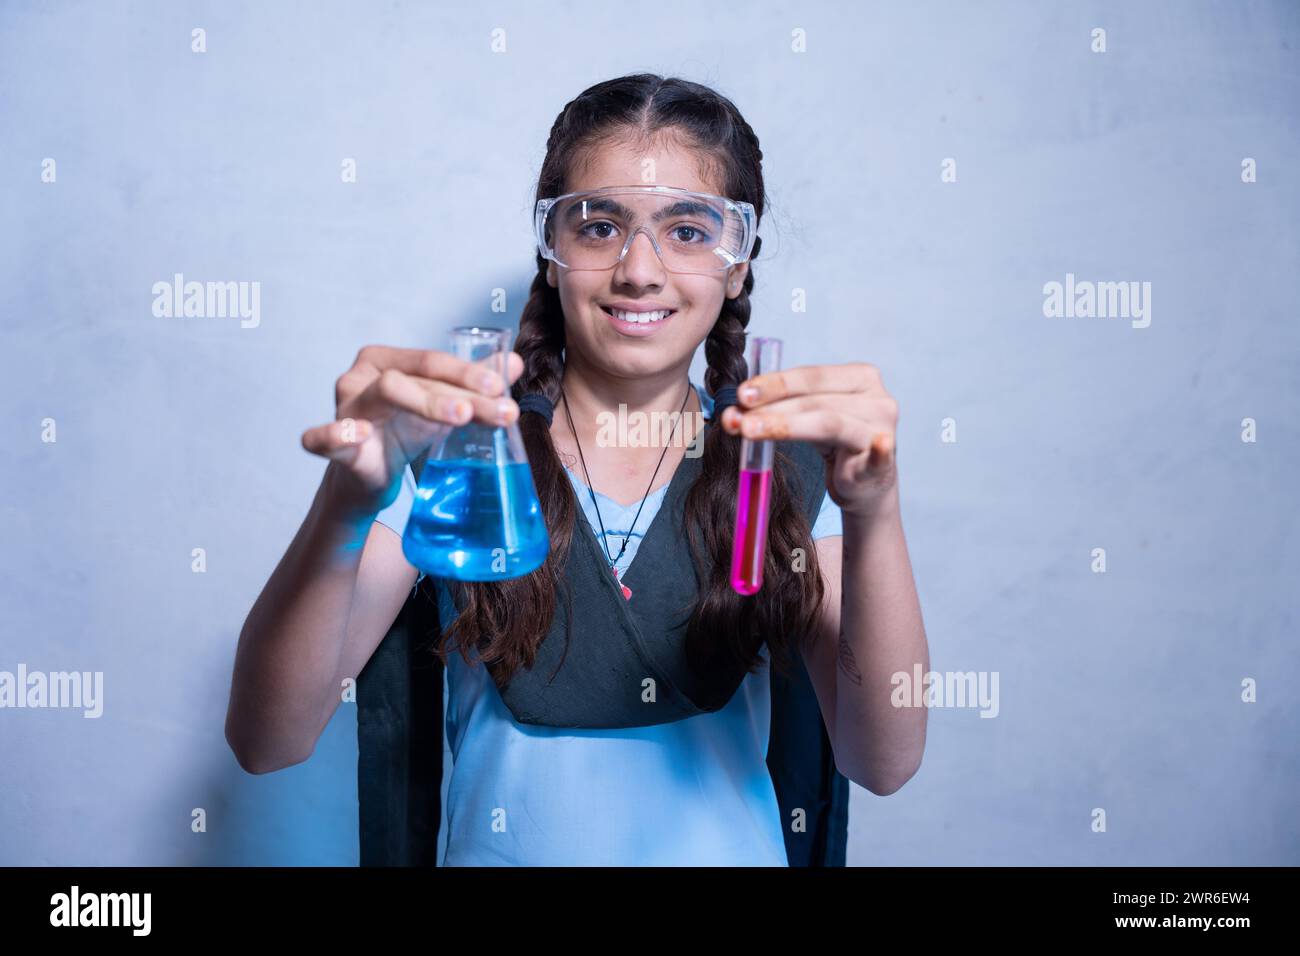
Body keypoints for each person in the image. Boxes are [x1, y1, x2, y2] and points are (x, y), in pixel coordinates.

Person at [225, 73, 930, 866]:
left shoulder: (787, 469)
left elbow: (885, 762)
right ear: (551, 251)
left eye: (689, 231)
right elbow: (267, 740)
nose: (639, 269)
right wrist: (346, 504)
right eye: (598, 228)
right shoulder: (464, 456)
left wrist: (875, 511)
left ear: (738, 261)